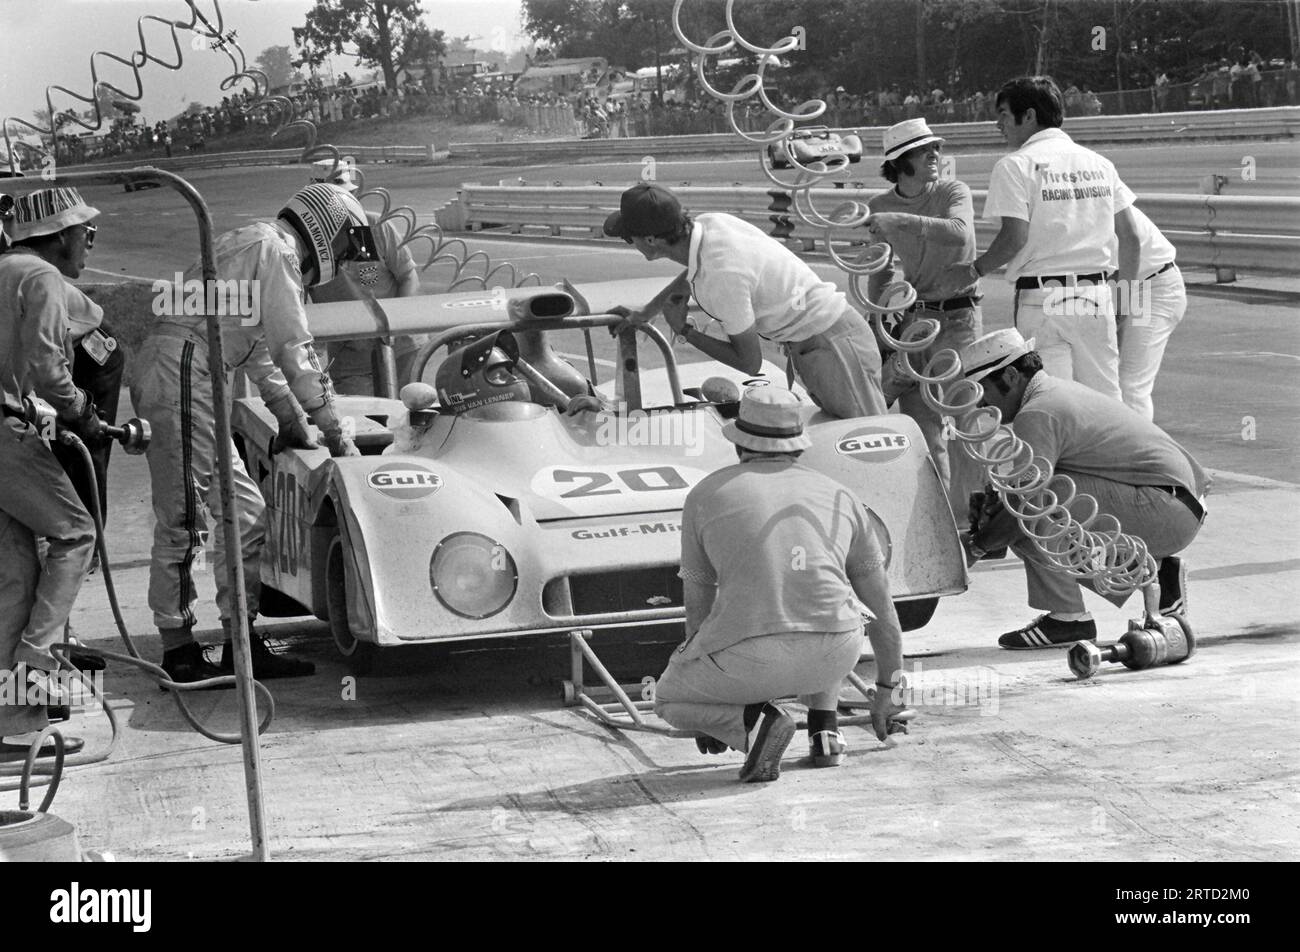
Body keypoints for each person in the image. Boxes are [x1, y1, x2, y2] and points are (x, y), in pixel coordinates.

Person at [131, 182, 368, 684]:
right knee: (185, 517)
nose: (344, 258)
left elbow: (257, 345)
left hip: (192, 366)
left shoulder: (257, 242)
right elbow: (294, 348)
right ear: (324, 226)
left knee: (245, 510)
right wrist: (332, 430)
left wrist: (288, 416)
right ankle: (178, 647)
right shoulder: (277, 251)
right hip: (185, 366)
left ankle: (241, 639)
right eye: (346, 243)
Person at [652, 387, 907, 782]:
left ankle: (757, 725)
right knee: (826, 597)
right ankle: (826, 732)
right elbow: (884, 611)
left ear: (739, 444)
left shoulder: (705, 495)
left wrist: (721, 715)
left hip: (750, 658)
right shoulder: (841, 495)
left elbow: (697, 607)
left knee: (667, 698)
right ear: (799, 447)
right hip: (838, 652)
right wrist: (891, 690)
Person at [958, 330, 1207, 649]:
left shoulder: (1037, 412)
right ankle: (1154, 572)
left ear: (1009, 375)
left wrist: (976, 547)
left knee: (1031, 511)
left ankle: (1068, 619)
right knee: (1021, 503)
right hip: (1175, 505)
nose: (980, 402)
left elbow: (1026, 504)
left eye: (982, 389)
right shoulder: (1052, 393)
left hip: (1166, 508)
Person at [604, 182, 887, 420]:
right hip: (826, 339)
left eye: (630, 238)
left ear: (651, 240)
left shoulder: (722, 276)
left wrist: (685, 332)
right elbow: (694, 272)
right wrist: (649, 310)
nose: (630, 243)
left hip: (832, 348)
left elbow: (750, 361)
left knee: (868, 443)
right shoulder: (710, 224)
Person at [938, 75, 1139, 402]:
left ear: (1028, 115)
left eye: (1003, 114)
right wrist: (1127, 304)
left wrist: (974, 270)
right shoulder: (1099, 163)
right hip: (1096, 296)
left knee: (1049, 407)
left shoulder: (1015, 166)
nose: (997, 123)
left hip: (1043, 298)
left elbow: (1015, 237)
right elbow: (1130, 237)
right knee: (1106, 407)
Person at [0, 187, 104, 752]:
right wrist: (82, 411)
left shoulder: (2, 268)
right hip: (3, 429)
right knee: (75, 532)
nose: (87, 245)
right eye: (85, 234)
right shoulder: (39, 276)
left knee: (14, 571)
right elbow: (46, 363)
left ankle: (12, 725)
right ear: (61, 234)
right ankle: (37, 665)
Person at [864, 118, 983, 513]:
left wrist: (901, 221)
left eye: (937, 148)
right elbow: (879, 269)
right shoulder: (879, 208)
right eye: (924, 150)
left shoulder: (953, 190)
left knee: (966, 424)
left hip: (959, 319)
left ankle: (977, 516)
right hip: (913, 325)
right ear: (900, 161)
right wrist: (879, 323)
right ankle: (940, 520)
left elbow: (960, 232)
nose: (935, 155)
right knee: (923, 431)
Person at [305, 159, 423, 394]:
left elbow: (408, 276)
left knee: (410, 416)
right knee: (367, 423)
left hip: (400, 347)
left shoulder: (374, 225)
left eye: (345, 196)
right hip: (350, 357)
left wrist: (395, 324)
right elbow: (295, 299)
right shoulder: (304, 242)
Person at [1113, 205, 1186, 421]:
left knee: (1131, 384)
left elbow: (1130, 245)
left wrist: (1119, 309)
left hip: (1154, 287)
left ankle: (1137, 450)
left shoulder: (1101, 197)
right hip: (1134, 283)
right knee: (1113, 377)